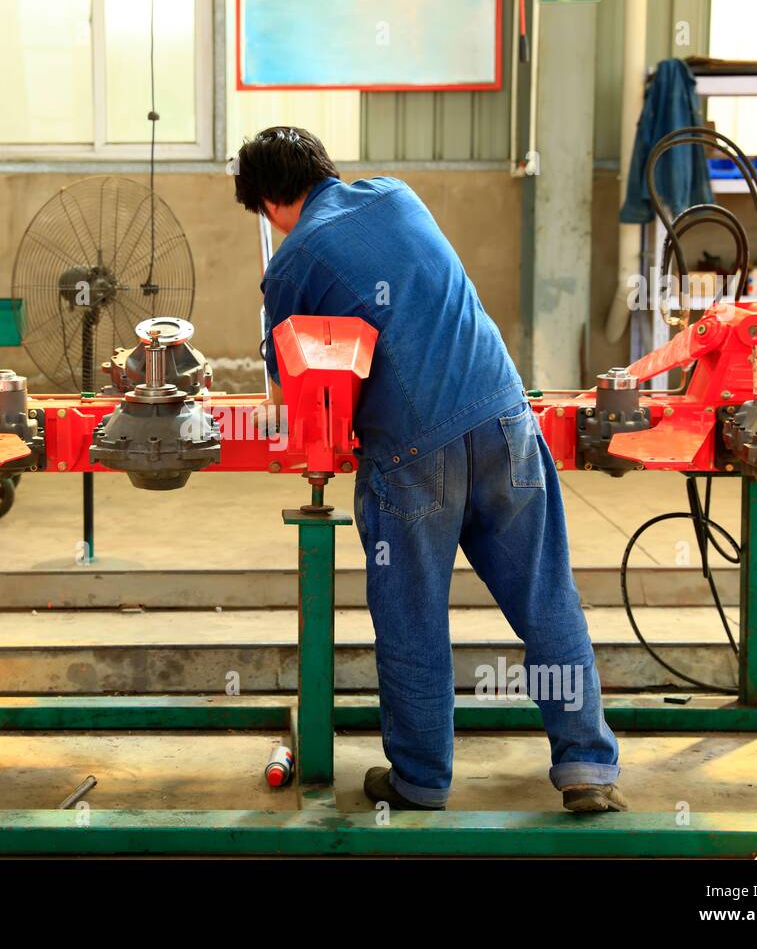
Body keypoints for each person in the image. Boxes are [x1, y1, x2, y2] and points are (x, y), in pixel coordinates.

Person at [232, 126, 627, 813]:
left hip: (413, 456)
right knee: (547, 599)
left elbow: (287, 402)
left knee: (412, 615)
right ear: (326, 167)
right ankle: (587, 767)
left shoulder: (290, 264)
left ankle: (421, 780)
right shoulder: (397, 194)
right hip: (507, 419)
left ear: (268, 203)